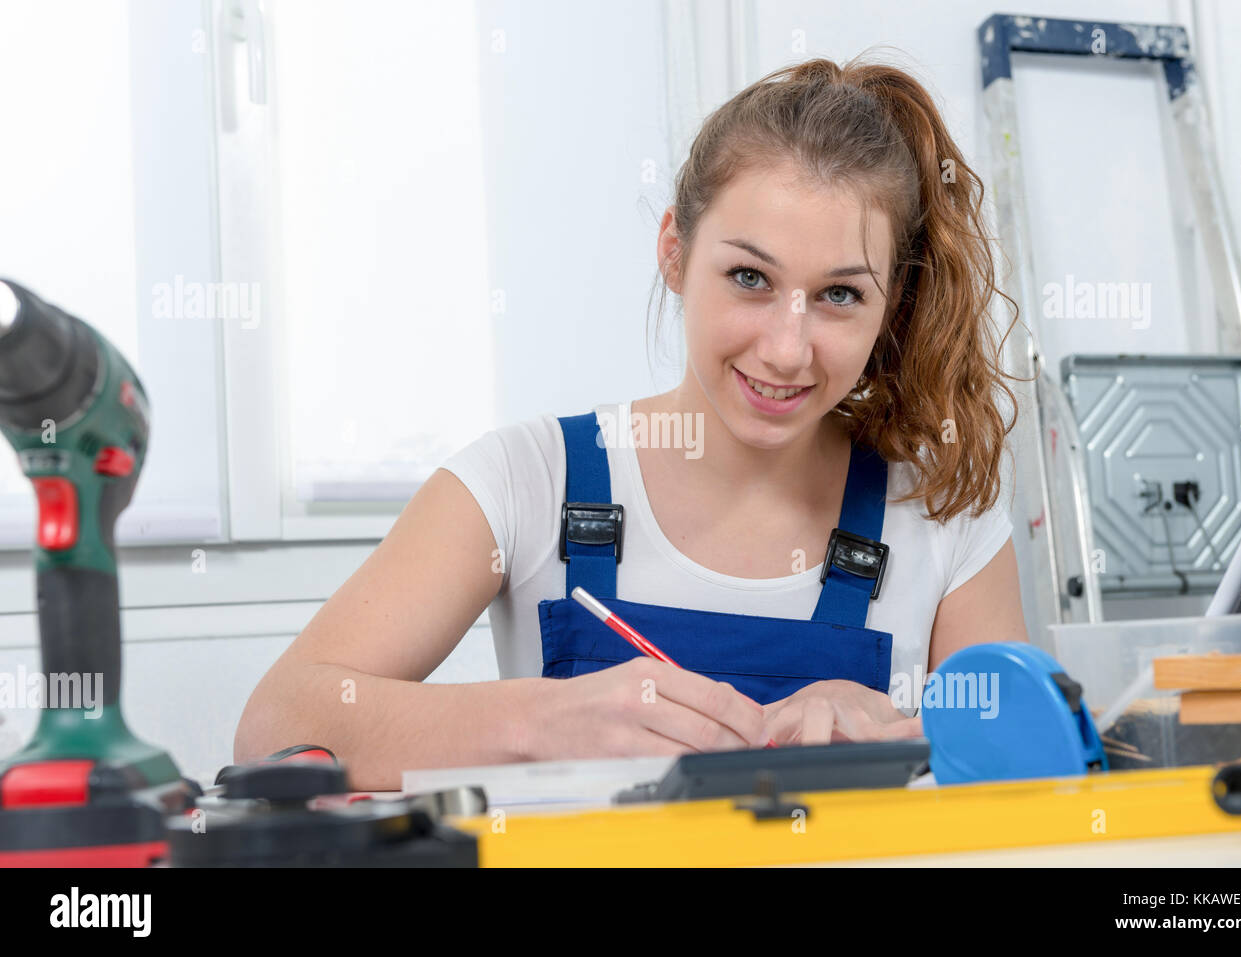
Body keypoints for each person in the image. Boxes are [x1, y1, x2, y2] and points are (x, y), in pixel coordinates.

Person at [235, 54, 1028, 790]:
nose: (787, 350)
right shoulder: (526, 480)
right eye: (749, 277)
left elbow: (1026, 764)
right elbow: (278, 722)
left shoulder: (942, 510)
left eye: (840, 295)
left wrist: (902, 731)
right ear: (675, 253)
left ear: (892, 302)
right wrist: (543, 720)